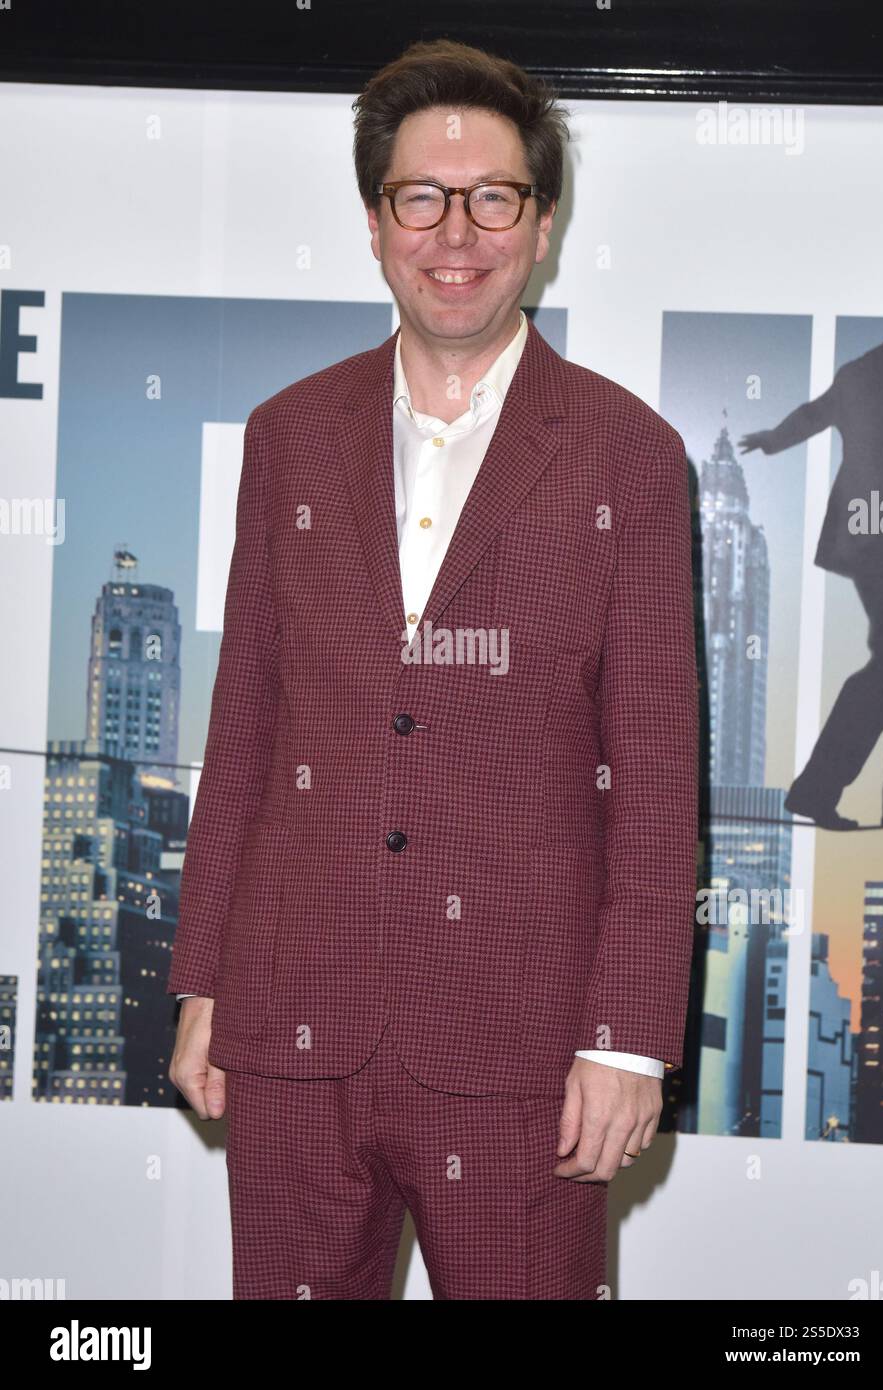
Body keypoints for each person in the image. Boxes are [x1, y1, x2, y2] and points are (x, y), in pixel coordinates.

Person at [168, 38, 699, 1300]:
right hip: (295, 1022)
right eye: (421, 196)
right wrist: (205, 979)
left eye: (493, 196)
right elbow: (244, 725)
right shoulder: (288, 437)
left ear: (542, 219)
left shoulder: (629, 454)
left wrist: (625, 1038)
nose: (455, 231)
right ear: (373, 220)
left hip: (523, 1051)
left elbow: (660, 771)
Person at [740, 284, 883, 829]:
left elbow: (814, 415)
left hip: (867, 535)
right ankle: (823, 789)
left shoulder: (864, 368)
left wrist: (772, 439)